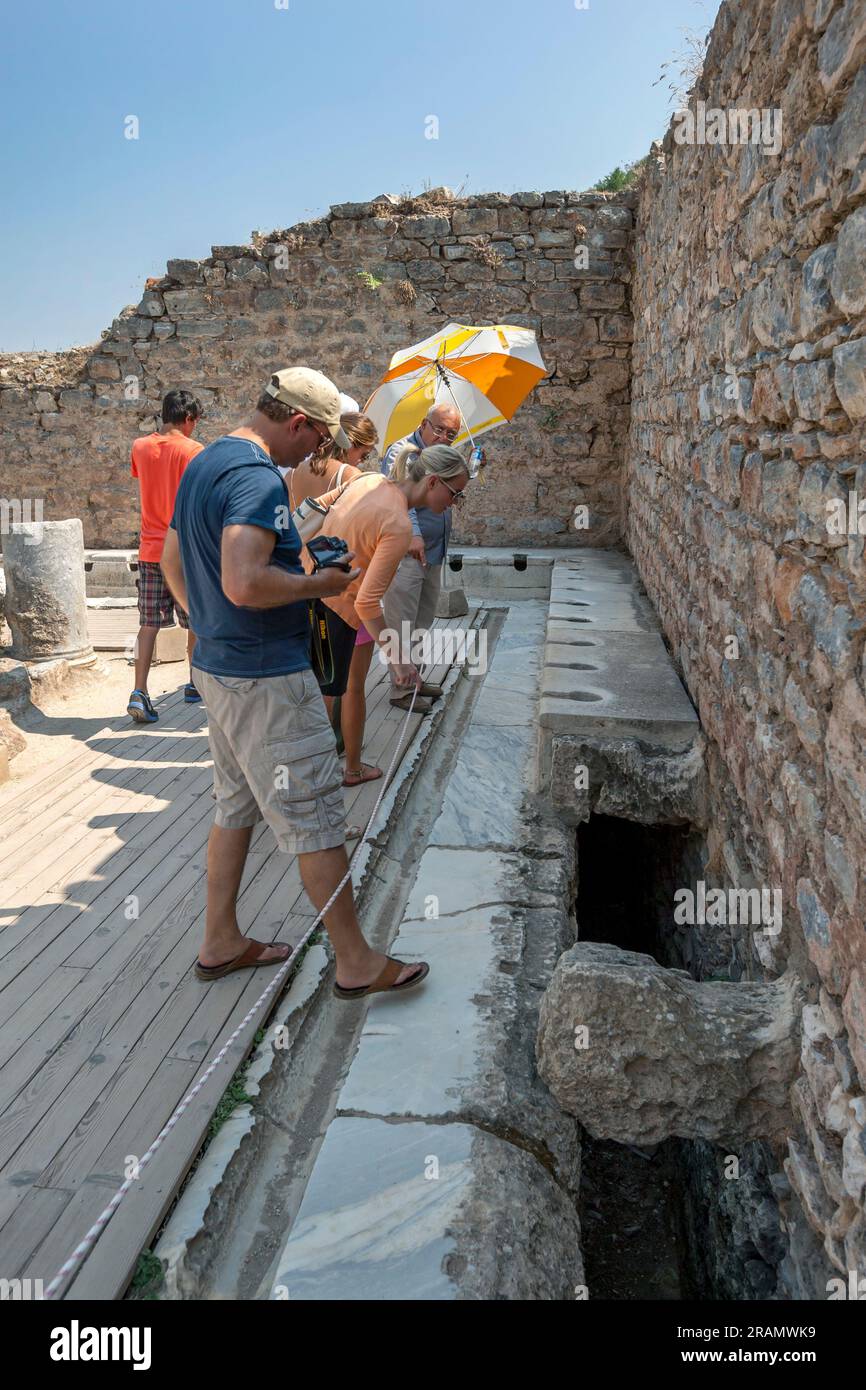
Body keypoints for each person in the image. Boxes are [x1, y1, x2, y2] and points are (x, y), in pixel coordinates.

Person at [160, 367, 429, 1001]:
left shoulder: (207, 461)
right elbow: (246, 582)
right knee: (314, 816)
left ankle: (220, 939)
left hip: (222, 669)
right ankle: (356, 962)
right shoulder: (255, 477)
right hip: (268, 676)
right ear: (298, 422)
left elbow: (174, 559)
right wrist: (320, 585)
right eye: (316, 441)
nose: (317, 454)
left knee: (234, 807)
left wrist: (205, 625)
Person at [307, 443, 470, 781]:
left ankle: (348, 768)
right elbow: (367, 602)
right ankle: (323, 781)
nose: (454, 503)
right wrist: (399, 659)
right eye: (456, 494)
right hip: (338, 606)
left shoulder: (367, 480)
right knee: (328, 696)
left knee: (329, 690)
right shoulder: (399, 525)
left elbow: (313, 510)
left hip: (311, 587)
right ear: (434, 482)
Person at [287, 413, 381, 785]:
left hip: (299, 583)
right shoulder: (351, 479)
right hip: (337, 588)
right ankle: (349, 766)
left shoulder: (293, 473)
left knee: (310, 682)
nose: (364, 461)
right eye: (365, 452)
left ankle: (304, 759)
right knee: (349, 686)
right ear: (353, 446)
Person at [379, 403, 464, 713]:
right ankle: (400, 688)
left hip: (433, 549)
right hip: (407, 551)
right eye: (438, 429)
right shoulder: (403, 452)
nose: (443, 437)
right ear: (424, 423)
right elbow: (398, 499)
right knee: (401, 619)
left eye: (451, 434)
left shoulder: (443, 456)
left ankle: (413, 676)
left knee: (422, 619)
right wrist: (412, 534)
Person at [127, 389, 203, 723]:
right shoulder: (194, 451)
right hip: (183, 549)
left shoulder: (140, 447)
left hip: (149, 549)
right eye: (195, 422)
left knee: (148, 624)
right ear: (188, 418)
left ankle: (139, 692)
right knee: (195, 620)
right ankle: (194, 682)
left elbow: (144, 479)